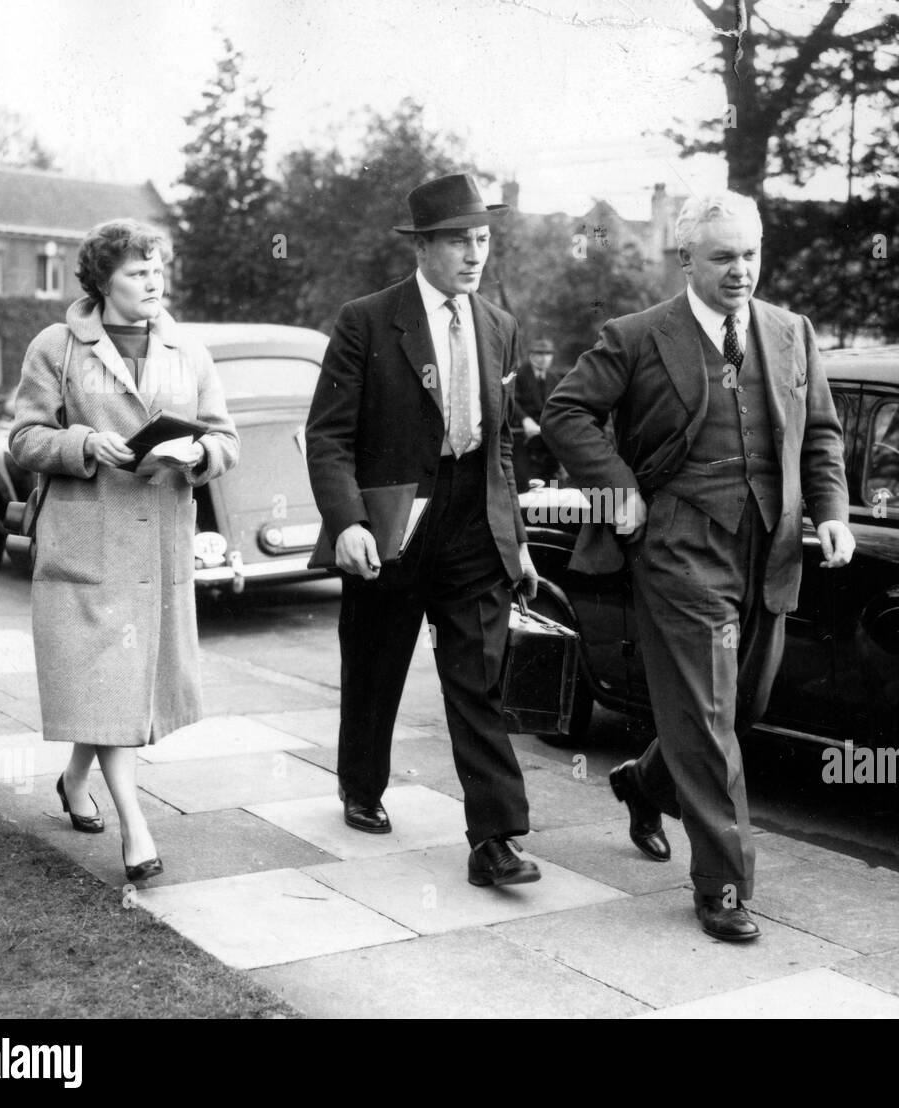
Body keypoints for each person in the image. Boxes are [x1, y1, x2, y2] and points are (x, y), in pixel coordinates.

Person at [542, 192, 855, 941]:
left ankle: (642, 780)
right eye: (722, 257)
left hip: (768, 547)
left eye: (749, 254)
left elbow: (820, 435)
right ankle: (722, 884)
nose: (740, 270)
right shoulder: (638, 336)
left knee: (737, 708)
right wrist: (619, 489)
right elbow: (565, 412)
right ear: (687, 260)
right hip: (679, 547)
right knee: (710, 721)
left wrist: (832, 512)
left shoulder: (791, 333)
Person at [304, 172, 542, 888]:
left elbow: (501, 444)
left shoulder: (499, 326)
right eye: (460, 242)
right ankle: (361, 784)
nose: (475, 255)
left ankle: (495, 838)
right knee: (376, 667)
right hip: (393, 521)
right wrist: (346, 522)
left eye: (483, 239)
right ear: (424, 247)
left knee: (479, 679)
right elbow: (328, 436)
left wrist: (516, 533)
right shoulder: (368, 320)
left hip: (474, 520)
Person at [9, 218, 238, 883]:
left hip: (158, 550)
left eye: (159, 269)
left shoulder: (188, 352)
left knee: (116, 687)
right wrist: (81, 444)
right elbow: (23, 438)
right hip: (86, 543)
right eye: (137, 272)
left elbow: (226, 439)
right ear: (103, 281)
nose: (153, 282)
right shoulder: (57, 346)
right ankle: (137, 831)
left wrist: (199, 452)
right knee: (110, 682)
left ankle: (73, 781)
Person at [510, 337, 564, 489]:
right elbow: (511, 400)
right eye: (540, 354)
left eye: (548, 354)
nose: (544, 358)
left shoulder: (554, 378)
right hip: (522, 434)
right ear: (531, 355)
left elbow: (558, 405)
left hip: (546, 435)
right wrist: (525, 420)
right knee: (523, 478)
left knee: (552, 475)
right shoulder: (517, 375)